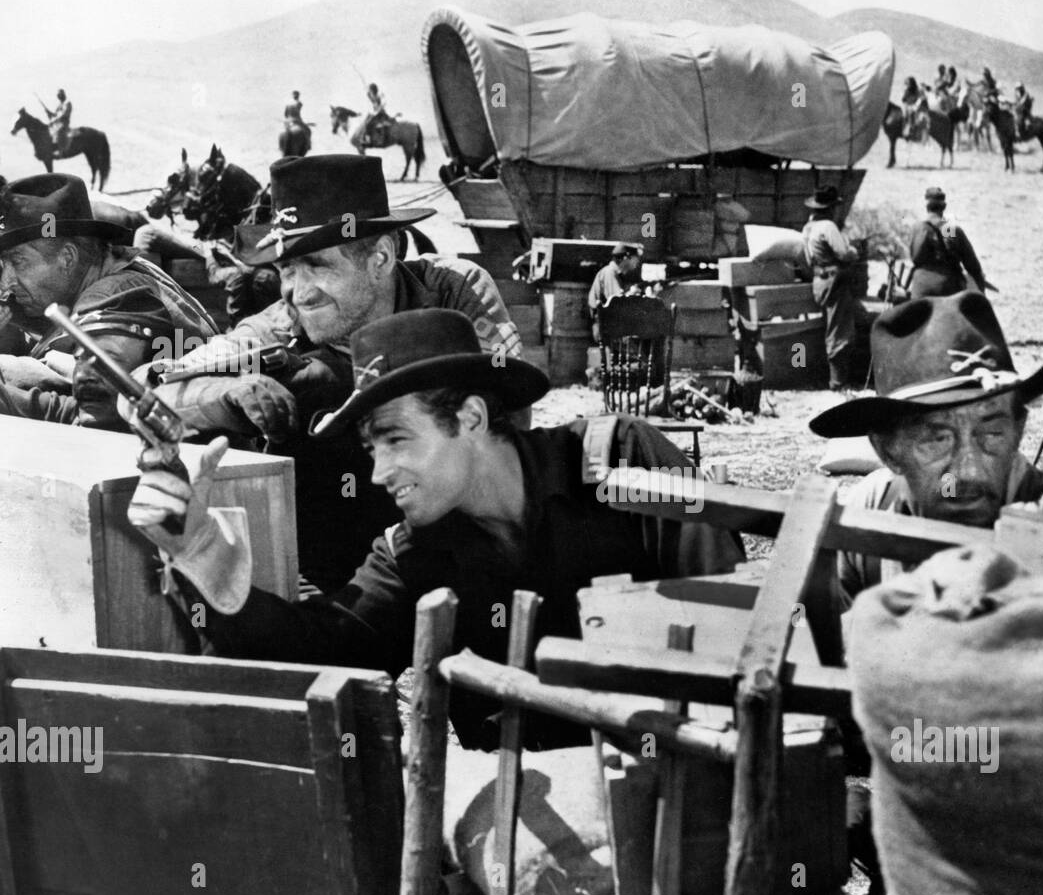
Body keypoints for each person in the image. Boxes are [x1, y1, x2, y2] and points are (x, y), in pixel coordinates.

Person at [125, 307, 747, 751]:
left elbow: (733, 631)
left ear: (471, 417)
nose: (377, 474)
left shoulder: (623, 462)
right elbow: (323, 649)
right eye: (371, 449)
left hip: (685, 785)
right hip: (524, 822)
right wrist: (204, 557)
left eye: (396, 439)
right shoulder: (413, 553)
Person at [132, 153, 525, 592]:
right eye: (286, 269)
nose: (298, 293)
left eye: (317, 265)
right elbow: (149, 394)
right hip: (340, 558)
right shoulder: (276, 327)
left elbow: (505, 415)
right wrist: (228, 394)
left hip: (465, 531)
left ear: (380, 255)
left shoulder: (452, 289)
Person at [808, 291, 1043, 607]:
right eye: (937, 439)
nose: (969, 471)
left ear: (1019, 429)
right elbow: (821, 637)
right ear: (888, 451)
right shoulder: (867, 518)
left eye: (991, 434)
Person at [0, 173, 219, 430]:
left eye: (19, 262)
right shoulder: (115, 266)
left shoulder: (114, 296)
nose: (6, 284)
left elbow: (97, 414)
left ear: (67, 258)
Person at [801, 186, 860, 391]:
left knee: (830, 326)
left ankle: (823, 375)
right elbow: (843, 254)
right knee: (839, 329)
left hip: (819, 281)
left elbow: (807, 259)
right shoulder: (828, 226)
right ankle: (838, 382)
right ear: (831, 208)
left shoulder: (808, 228)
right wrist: (854, 251)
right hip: (835, 281)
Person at [907, 187, 989, 299]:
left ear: (926, 207)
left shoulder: (916, 228)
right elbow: (973, 267)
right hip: (949, 290)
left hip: (921, 290)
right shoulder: (950, 230)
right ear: (944, 207)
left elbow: (913, 257)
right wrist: (981, 293)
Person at [587, 242, 649, 341]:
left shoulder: (616, 274)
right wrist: (631, 293)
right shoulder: (609, 272)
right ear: (625, 258)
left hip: (611, 328)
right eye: (635, 257)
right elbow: (616, 302)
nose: (638, 261)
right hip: (605, 330)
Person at [44, 89, 72, 156]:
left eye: (60, 95)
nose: (59, 97)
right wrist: (48, 113)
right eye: (58, 95)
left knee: (59, 131)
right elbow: (55, 115)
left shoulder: (67, 103)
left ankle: (61, 151)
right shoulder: (59, 105)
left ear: (63, 95)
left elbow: (64, 114)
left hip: (64, 123)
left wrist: (53, 120)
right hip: (57, 123)